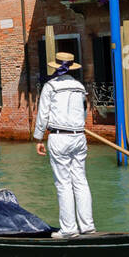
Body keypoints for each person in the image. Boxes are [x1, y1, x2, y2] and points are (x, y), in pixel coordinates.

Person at [32, 51, 96, 238]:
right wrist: (80, 130)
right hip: (79, 136)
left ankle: (68, 229)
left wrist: (38, 138)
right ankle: (87, 226)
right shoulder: (80, 87)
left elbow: (43, 114)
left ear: (55, 66)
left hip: (59, 137)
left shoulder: (50, 86)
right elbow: (84, 112)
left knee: (63, 184)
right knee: (81, 181)